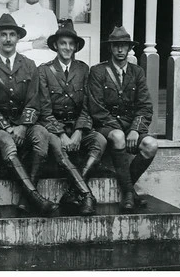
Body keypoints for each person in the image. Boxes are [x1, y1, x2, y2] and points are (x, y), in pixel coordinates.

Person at [0, 13, 58, 217]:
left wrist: (23, 126)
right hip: (0, 128)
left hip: (26, 125)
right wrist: (7, 127)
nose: (7, 39)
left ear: (18, 38)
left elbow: (34, 99)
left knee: (41, 135)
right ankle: (35, 197)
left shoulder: (29, 64)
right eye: (3, 34)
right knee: (7, 142)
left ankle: (26, 198)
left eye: (11, 34)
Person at [38, 19, 106, 216]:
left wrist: (78, 132)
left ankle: (72, 191)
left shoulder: (84, 70)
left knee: (99, 141)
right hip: (54, 129)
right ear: (56, 46)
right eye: (62, 43)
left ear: (76, 47)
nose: (67, 48)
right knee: (58, 147)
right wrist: (61, 134)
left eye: (70, 44)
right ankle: (86, 195)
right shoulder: (44, 70)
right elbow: (44, 109)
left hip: (77, 128)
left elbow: (88, 104)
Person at [88, 26, 157, 212]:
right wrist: (119, 129)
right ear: (110, 48)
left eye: (124, 46)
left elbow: (145, 106)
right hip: (106, 126)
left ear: (129, 48)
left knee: (151, 145)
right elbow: (96, 108)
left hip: (130, 128)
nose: (120, 50)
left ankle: (128, 192)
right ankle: (129, 193)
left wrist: (135, 129)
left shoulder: (137, 72)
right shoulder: (98, 71)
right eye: (116, 46)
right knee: (118, 135)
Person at [12, 0, 59, 66]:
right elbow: (11, 45)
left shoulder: (49, 15)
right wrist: (32, 45)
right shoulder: (15, 16)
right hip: (22, 59)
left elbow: (55, 42)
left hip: (47, 58)